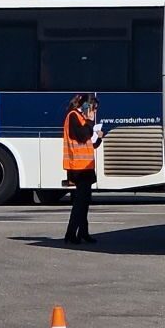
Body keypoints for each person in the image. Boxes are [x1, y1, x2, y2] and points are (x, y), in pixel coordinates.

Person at [62, 93, 102, 244]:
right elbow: (80, 136)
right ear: (87, 107)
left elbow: (92, 143)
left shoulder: (83, 119)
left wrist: (99, 136)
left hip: (85, 167)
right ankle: (70, 233)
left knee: (84, 202)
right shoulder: (73, 116)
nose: (95, 112)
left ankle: (83, 232)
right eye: (94, 109)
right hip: (78, 168)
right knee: (80, 202)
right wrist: (90, 123)